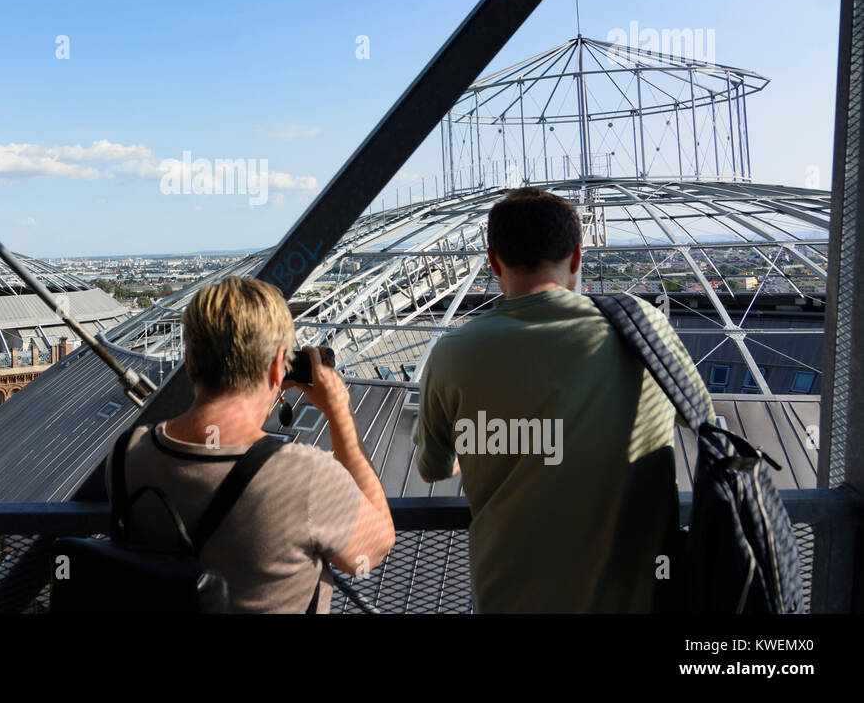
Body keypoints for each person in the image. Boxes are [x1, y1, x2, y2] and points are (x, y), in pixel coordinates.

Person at [413, 187, 712, 612]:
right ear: (576, 258)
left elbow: (433, 469)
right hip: (643, 597)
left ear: (494, 260)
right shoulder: (646, 328)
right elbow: (704, 422)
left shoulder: (452, 353)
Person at [107, 276, 395, 613]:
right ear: (277, 365)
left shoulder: (129, 454)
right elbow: (376, 546)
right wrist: (339, 412)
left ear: (189, 362)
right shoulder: (304, 476)